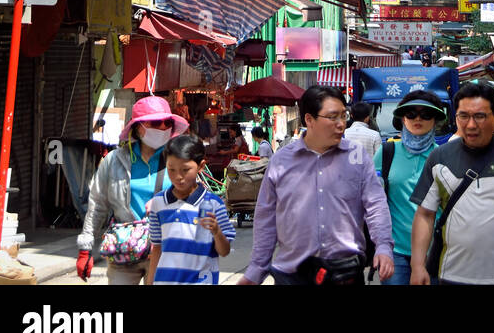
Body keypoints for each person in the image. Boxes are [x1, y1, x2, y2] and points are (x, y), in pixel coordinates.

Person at [238, 85, 394, 286]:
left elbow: (376, 205)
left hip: (344, 273)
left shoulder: (357, 156)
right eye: (332, 117)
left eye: (343, 116)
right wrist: (257, 269)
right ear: (309, 120)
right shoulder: (282, 161)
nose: (341, 124)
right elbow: (266, 217)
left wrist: (383, 246)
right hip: (292, 274)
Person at [410, 83, 494, 286]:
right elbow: (425, 215)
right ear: (456, 118)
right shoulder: (439, 157)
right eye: (463, 116)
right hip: (452, 275)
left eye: (479, 116)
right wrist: (418, 265)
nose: (471, 125)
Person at [76, 96, 189, 285]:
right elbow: (97, 206)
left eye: (167, 122)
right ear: (138, 127)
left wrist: (166, 201)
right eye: (155, 122)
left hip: (167, 249)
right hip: (125, 249)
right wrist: (85, 249)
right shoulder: (114, 161)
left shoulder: (181, 159)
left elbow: (196, 199)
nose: (162, 127)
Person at [375, 89, 447, 286]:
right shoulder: (387, 151)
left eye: (426, 114)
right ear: (402, 118)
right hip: (395, 250)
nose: (418, 119)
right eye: (411, 114)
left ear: (435, 120)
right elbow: (370, 198)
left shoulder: (443, 157)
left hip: (434, 250)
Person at [146, 136, 234, 285]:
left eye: (185, 170)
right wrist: (150, 282)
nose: (178, 176)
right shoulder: (158, 203)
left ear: (201, 166)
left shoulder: (214, 205)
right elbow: (157, 249)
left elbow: (224, 251)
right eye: (171, 169)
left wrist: (217, 232)